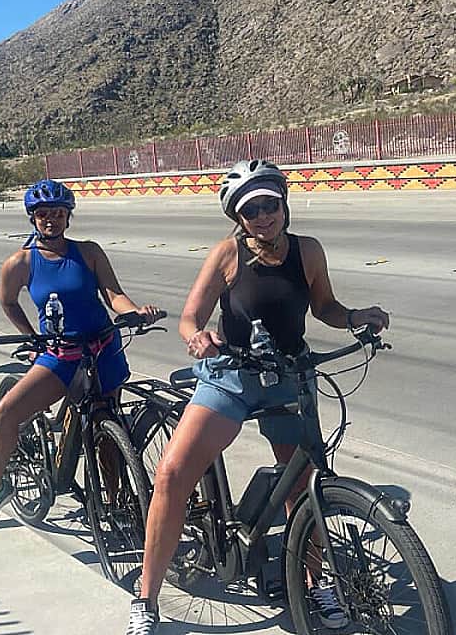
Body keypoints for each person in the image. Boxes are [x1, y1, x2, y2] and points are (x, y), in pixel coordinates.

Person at [127, 159, 390, 635]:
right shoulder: (227, 256)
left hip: (289, 375)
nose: (264, 215)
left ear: (284, 206)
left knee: (301, 486)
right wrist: (198, 337)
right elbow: (190, 317)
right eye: (253, 210)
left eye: (271, 205)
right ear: (239, 217)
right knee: (172, 474)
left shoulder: (307, 251)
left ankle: (315, 584)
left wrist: (355, 316)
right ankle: (146, 596)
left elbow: (324, 305)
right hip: (231, 377)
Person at [0, 179, 161, 533]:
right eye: (43, 214)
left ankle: (113, 504)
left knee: (108, 426)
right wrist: (32, 339)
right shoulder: (20, 262)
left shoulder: (88, 252)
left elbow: (113, 294)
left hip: (103, 349)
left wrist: (133, 312)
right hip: (60, 354)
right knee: (5, 412)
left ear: (68, 216)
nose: (50, 220)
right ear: (33, 218)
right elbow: (8, 302)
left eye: (58, 213)